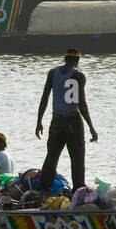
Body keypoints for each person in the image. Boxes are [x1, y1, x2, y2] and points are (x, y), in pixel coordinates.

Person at [35, 47, 98, 193]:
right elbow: (81, 103)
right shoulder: (78, 75)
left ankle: (44, 189)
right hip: (73, 121)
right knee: (77, 158)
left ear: (65, 59)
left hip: (56, 121)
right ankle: (78, 189)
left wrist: (39, 121)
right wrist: (91, 127)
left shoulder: (53, 73)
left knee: (51, 156)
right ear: (77, 61)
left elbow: (44, 98)